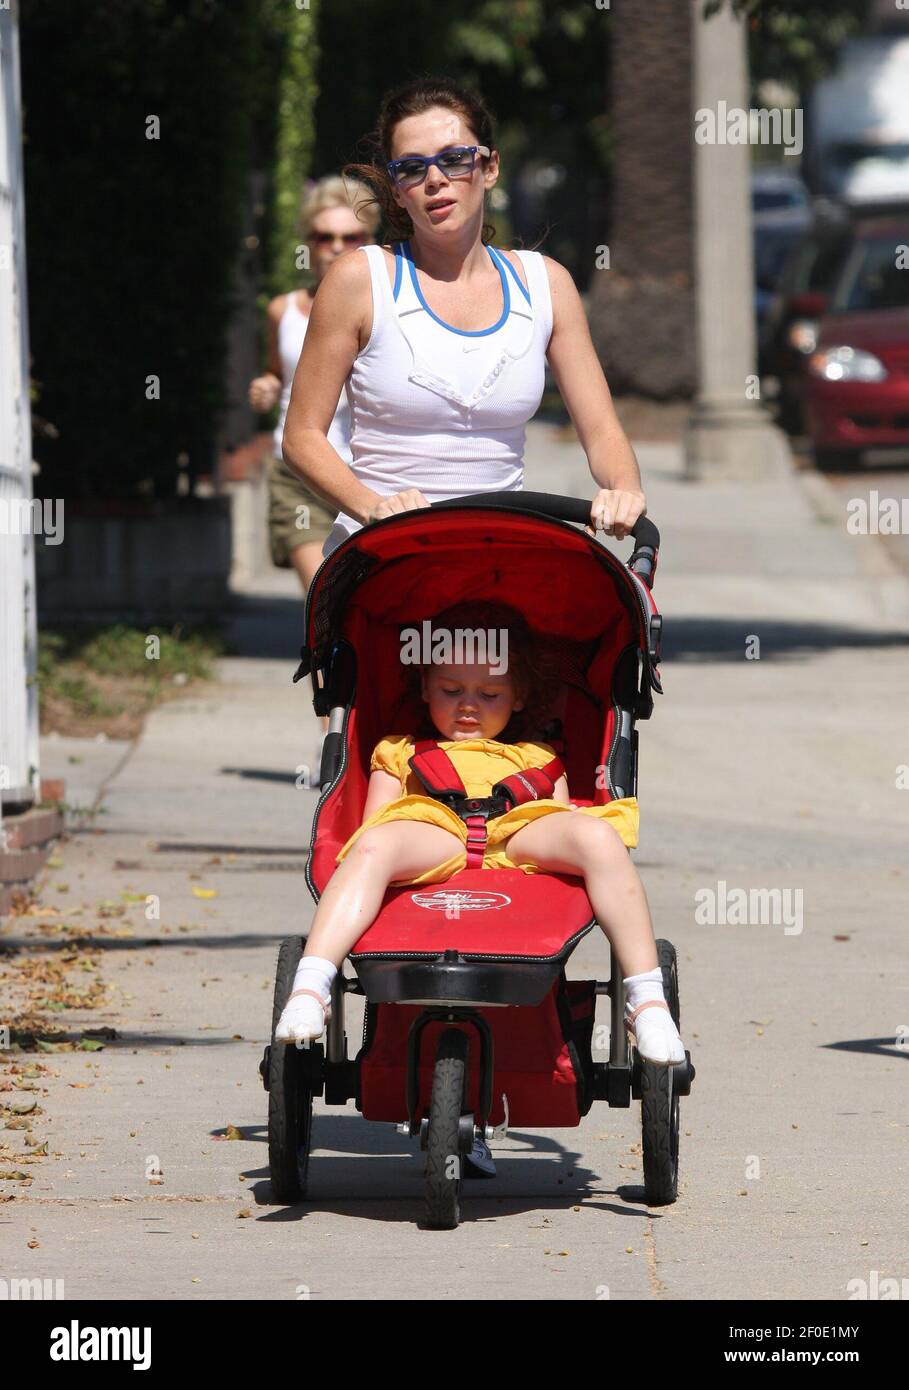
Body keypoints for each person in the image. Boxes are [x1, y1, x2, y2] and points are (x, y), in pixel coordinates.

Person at [275, 599, 687, 1079]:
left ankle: (646, 997)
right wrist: (385, 847)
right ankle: (312, 985)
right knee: (372, 846)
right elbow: (378, 824)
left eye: (490, 695)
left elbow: (552, 816)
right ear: (425, 686)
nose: (468, 705)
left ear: (519, 697)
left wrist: (579, 834)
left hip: (518, 834)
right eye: (451, 689)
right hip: (435, 832)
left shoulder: (536, 754)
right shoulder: (398, 749)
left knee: (598, 835)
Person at [281, 74, 648, 555]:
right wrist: (371, 506)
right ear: (395, 189)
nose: (435, 180)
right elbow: (302, 435)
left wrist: (624, 489)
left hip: (498, 561)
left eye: (454, 159)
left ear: (490, 167)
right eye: (411, 168)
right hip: (380, 563)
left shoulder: (546, 285)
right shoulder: (360, 280)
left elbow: (601, 431)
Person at [248, 176, 380, 593]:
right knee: (324, 595)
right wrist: (267, 385)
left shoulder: (389, 310)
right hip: (298, 475)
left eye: (351, 236)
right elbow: (277, 370)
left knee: (365, 603)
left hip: (366, 473)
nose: (338, 247)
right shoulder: (281, 311)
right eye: (324, 238)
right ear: (309, 243)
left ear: (369, 238)